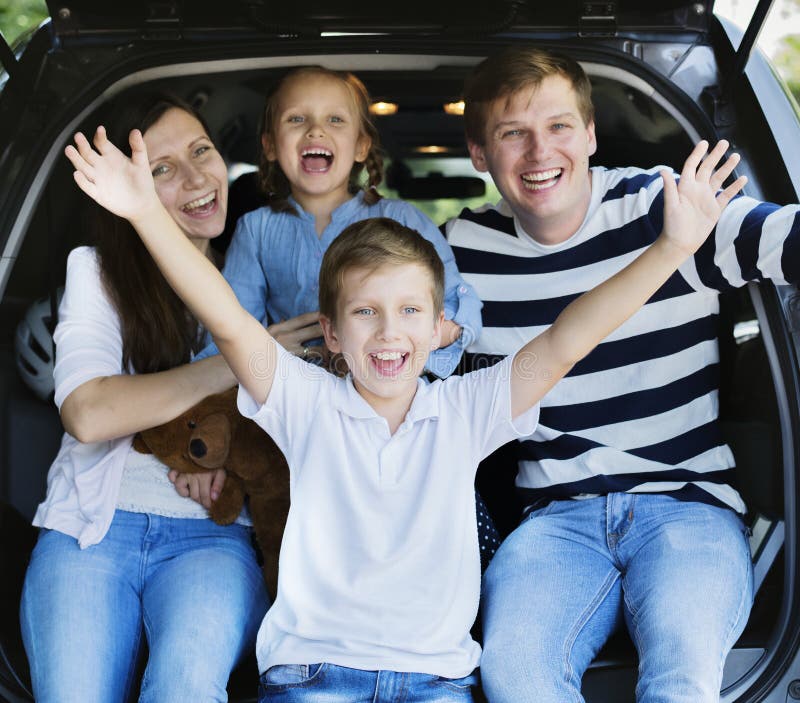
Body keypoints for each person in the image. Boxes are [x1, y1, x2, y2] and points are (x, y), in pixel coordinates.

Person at [64, 111, 742, 701]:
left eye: (411, 311)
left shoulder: (467, 408)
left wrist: (674, 247)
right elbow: (229, 317)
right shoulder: (302, 401)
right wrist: (147, 212)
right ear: (331, 332)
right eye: (365, 312)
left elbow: (571, 336)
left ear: (442, 327)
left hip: (435, 682)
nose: (389, 333)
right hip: (311, 676)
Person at [442, 46, 800, 702]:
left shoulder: (664, 205)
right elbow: (383, 340)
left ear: (590, 134)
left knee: (683, 672)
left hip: (689, 506)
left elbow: (786, 241)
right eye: (512, 133)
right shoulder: (458, 252)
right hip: (555, 518)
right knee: (514, 676)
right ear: (478, 155)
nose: (539, 152)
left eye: (557, 127)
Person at [20, 93, 270, 703]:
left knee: (185, 688)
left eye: (202, 151)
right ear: (121, 189)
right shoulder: (98, 273)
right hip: (89, 531)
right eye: (161, 168)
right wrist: (232, 360)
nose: (196, 178)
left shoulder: (256, 270)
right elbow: (89, 412)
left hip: (213, 537)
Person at [195, 66, 482, 380]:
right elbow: (230, 327)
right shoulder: (256, 230)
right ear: (270, 146)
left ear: (360, 146)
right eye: (296, 119)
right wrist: (265, 349)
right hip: (295, 399)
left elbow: (459, 304)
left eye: (335, 119)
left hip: (393, 395)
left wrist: (407, 345)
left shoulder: (403, 219)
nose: (315, 131)